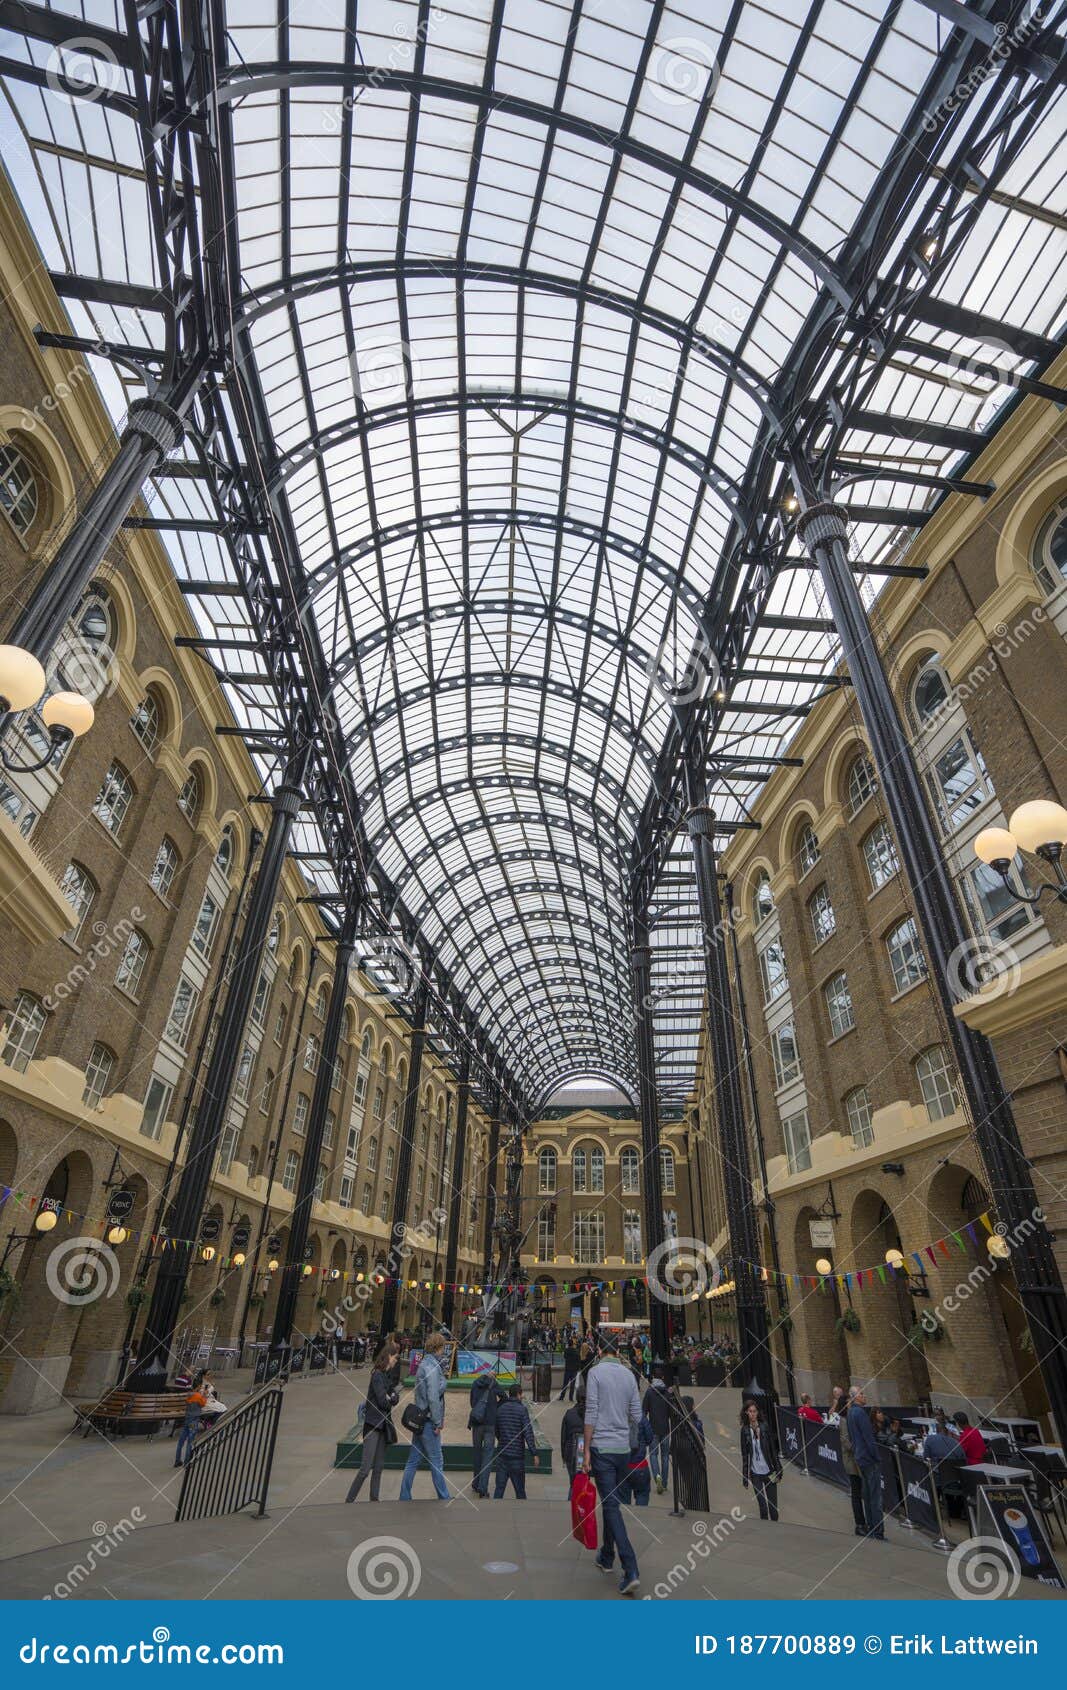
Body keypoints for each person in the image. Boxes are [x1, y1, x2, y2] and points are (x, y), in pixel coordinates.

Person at [583, 1335, 643, 1596]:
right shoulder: (629, 1376)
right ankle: (607, 1556)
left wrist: (586, 1450)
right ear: (618, 1351)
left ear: (599, 1350)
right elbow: (637, 1415)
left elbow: (591, 1412)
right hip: (623, 1450)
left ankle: (630, 1568)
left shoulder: (595, 1373)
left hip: (602, 1448)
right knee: (611, 1503)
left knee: (610, 1506)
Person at [399, 1331, 450, 1502]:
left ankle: (404, 1496)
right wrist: (437, 1422)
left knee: (413, 1460)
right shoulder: (433, 1368)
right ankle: (444, 1497)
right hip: (428, 1421)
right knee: (437, 1461)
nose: (444, 1350)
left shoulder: (424, 1364)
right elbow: (433, 1397)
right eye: (443, 1347)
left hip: (420, 1420)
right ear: (438, 1347)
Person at [346, 1351, 399, 1502]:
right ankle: (349, 1500)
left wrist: (391, 1398)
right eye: (395, 1357)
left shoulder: (386, 1376)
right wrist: (390, 1399)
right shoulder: (377, 1375)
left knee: (378, 1467)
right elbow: (383, 1401)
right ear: (388, 1356)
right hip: (373, 1425)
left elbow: (395, 1396)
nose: (396, 1360)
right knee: (365, 1469)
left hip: (383, 1426)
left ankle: (374, 1500)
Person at [846, 1387, 884, 1541]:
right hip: (868, 1458)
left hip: (860, 1457)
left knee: (867, 1495)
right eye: (861, 1393)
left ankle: (871, 1526)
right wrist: (876, 1456)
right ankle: (878, 1531)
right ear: (855, 1397)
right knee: (875, 1497)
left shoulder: (850, 1413)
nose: (864, 1395)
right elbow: (868, 1438)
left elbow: (851, 1437)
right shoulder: (860, 1413)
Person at [493, 1383, 540, 1499]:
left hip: (502, 1455)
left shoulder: (501, 1409)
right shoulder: (522, 1410)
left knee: (499, 1490)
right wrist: (534, 1453)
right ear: (519, 1394)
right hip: (517, 1457)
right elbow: (528, 1432)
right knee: (520, 1491)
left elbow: (496, 1430)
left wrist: (502, 1439)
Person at [740, 1399, 781, 1522]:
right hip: (755, 1474)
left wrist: (778, 1469)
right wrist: (745, 1477)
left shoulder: (764, 1427)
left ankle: (775, 1528)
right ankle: (765, 1530)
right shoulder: (745, 1431)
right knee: (763, 1507)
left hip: (769, 1472)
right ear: (746, 1413)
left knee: (773, 1509)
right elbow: (745, 1456)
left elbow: (773, 1451)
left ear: (757, 1412)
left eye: (754, 1411)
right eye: (750, 1411)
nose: (752, 1414)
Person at [468, 1368, 502, 1498]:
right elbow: (504, 1397)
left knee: (477, 1454)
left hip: (477, 1423)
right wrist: (494, 1407)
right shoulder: (494, 1384)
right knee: (487, 1456)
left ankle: (476, 1483)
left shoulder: (475, 1383)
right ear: (493, 1376)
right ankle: (483, 1488)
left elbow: (472, 1403)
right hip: (490, 1424)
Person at [837, 1398, 866, 1536]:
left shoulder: (852, 1418)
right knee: (856, 1493)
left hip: (858, 1460)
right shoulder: (844, 1420)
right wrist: (859, 1450)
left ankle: (865, 1522)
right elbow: (845, 1440)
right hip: (852, 1462)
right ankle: (859, 1524)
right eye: (850, 1402)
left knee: (861, 1491)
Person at [642, 1370, 672, 1495]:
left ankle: (657, 1477)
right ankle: (664, 1483)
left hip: (653, 1428)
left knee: (653, 1455)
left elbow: (644, 1412)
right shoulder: (667, 1393)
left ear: (653, 1377)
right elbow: (671, 1412)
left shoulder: (649, 1392)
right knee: (665, 1456)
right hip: (665, 1428)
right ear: (663, 1377)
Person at [174, 1373, 208, 1467]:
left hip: (187, 1419)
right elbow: (203, 1404)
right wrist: (204, 1395)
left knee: (181, 1441)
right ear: (199, 1386)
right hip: (194, 1420)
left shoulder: (189, 1394)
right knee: (190, 1441)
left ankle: (177, 1460)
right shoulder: (198, 1396)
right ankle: (187, 1461)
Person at [561, 1385, 586, 1492]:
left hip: (571, 1449)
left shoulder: (569, 1413)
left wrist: (564, 1455)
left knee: (574, 1483)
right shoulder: (591, 1414)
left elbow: (563, 1437)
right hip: (583, 1447)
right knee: (580, 1481)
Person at [558, 1334, 580, 1402]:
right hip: (574, 1370)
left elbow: (565, 1357)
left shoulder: (566, 1350)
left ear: (568, 1344)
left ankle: (562, 1397)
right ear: (573, 1344)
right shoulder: (576, 1351)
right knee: (572, 1385)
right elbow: (578, 1360)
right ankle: (571, 1398)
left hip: (568, 1369)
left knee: (565, 1384)